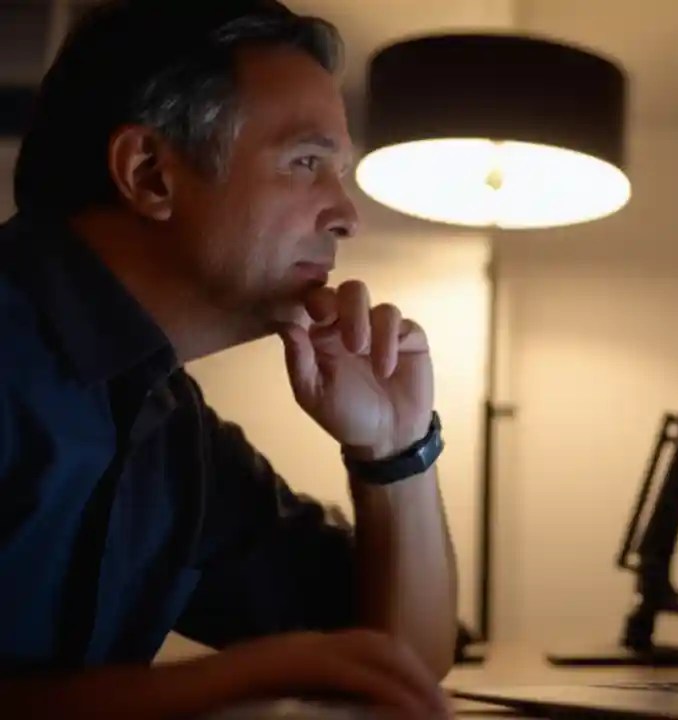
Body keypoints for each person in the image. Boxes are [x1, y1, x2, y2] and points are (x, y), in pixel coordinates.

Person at [0, 0, 457, 717]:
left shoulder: (170, 426)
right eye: (307, 162)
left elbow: (402, 663)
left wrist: (394, 449)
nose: (347, 217)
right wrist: (231, 682)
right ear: (150, 173)